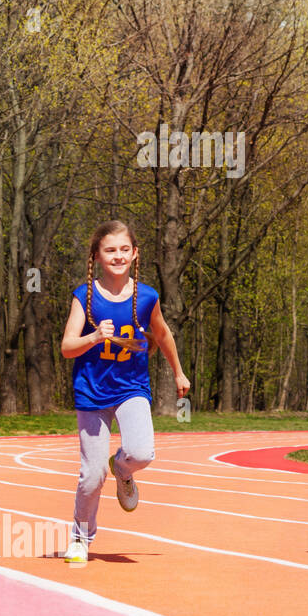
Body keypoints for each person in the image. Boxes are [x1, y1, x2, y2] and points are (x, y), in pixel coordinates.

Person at [59, 220, 190, 563]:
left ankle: (124, 470)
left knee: (142, 453)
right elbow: (67, 346)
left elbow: (162, 336)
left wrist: (178, 372)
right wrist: (93, 336)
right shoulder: (84, 296)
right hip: (91, 392)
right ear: (97, 256)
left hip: (131, 388)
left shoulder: (147, 297)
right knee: (91, 475)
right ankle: (79, 538)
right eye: (109, 250)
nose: (117, 256)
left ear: (134, 254)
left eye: (123, 250)